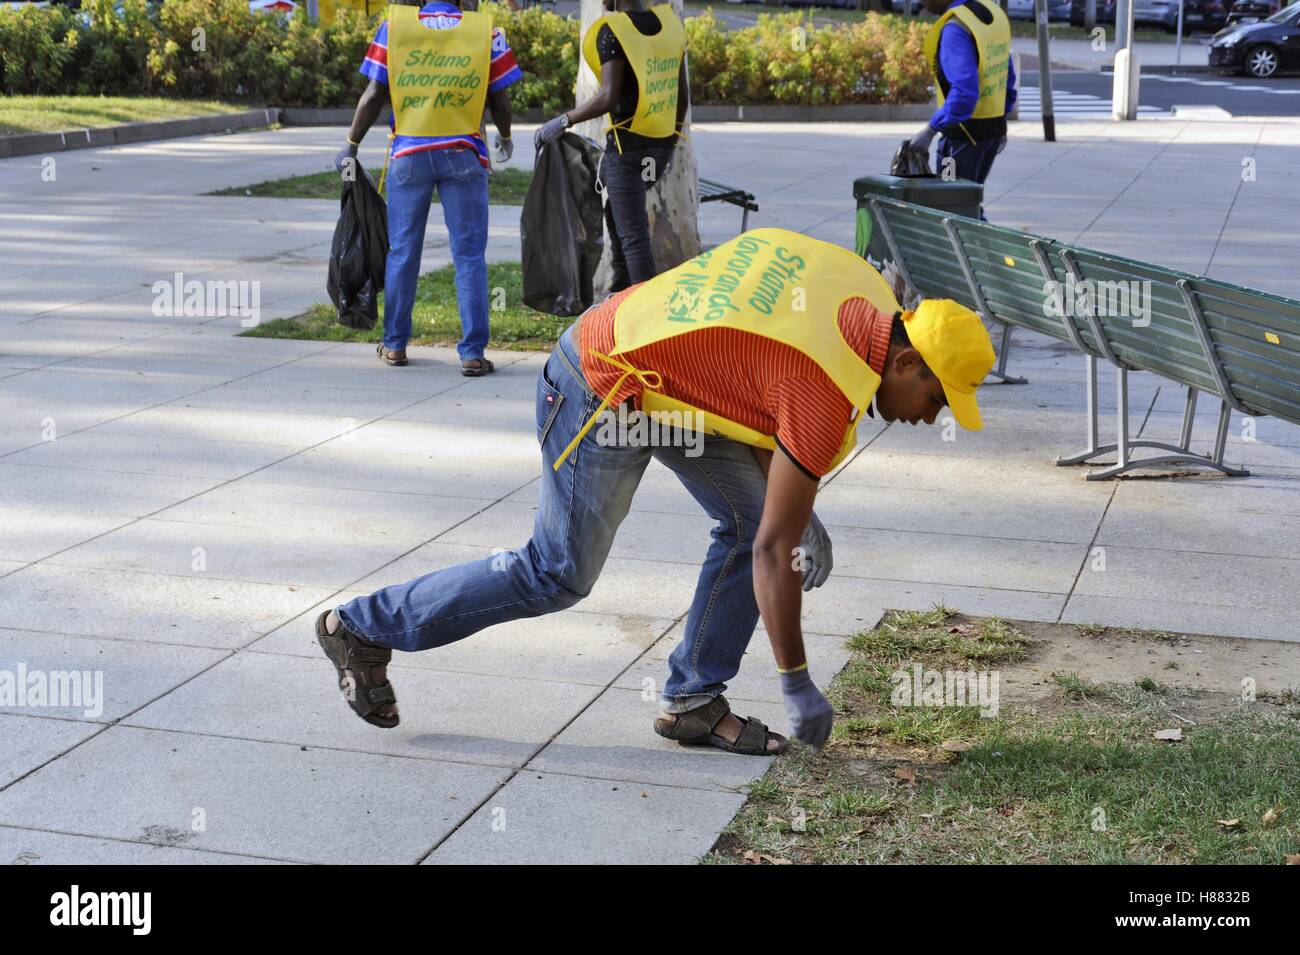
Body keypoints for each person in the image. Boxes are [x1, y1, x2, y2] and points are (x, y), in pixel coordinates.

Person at [316, 228, 997, 755]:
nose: (932, 417)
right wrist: (795, 679)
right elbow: (772, 550)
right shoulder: (826, 392)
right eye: (937, 398)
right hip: (598, 382)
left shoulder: (867, 290)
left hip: (664, 378)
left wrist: (797, 504)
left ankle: (694, 699)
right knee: (556, 572)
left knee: (753, 520)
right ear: (905, 360)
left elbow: (767, 378)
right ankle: (361, 626)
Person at [336, 0, 520, 376]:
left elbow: (374, 94)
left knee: (403, 250)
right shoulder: (486, 31)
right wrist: (505, 135)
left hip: (410, 154)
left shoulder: (395, 27)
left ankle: (395, 345)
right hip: (464, 153)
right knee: (469, 254)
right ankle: (472, 352)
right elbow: (499, 97)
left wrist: (351, 144)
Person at [534, 0, 689, 293]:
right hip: (659, 148)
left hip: (629, 149)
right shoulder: (670, 25)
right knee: (619, 215)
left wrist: (564, 120)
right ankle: (619, 292)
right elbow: (682, 98)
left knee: (633, 236)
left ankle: (647, 313)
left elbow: (608, 96)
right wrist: (669, 143)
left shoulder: (613, 31)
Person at [911, 0, 1017, 206]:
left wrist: (930, 130)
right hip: (990, 132)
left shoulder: (956, 28)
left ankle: (982, 238)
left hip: (961, 139)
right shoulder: (992, 16)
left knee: (951, 205)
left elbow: (964, 92)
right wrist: (1001, 119)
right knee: (967, 204)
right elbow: (1007, 76)